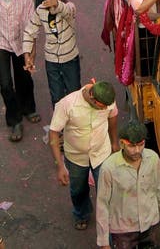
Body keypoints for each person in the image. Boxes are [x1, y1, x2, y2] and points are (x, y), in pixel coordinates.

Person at [49, 81, 119, 231]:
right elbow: (54, 133)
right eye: (102, 107)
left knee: (107, 189)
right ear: (92, 99)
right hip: (76, 158)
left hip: (102, 154)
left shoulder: (107, 99)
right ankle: (81, 214)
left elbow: (112, 117)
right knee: (78, 190)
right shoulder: (67, 104)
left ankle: (107, 218)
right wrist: (60, 166)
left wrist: (114, 142)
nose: (106, 109)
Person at [96, 119, 160, 249]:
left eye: (141, 144)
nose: (137, 150)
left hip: (150, 224)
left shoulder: (153, 159)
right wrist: (104, 241)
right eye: (132, 146)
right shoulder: (109, 168)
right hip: (123, 230)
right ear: (122, 144)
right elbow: (102, 205)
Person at [22, 0, 80, 108]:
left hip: (70, 59)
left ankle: (74, 127)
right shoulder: (40, 10)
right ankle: (60, 126)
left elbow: (66, 11)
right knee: (56, 97)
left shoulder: (70, 7)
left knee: (74, 95)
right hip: (51, 61)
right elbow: (30, 32)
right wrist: (27, 55)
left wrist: (56, 5)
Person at [0, 0, 37, 143]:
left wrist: (31, 52)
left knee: (24, 78)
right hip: (1, 44)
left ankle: (28, 108)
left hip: (21, 41)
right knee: (5, 84)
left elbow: (31, 26)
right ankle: (15, 120)